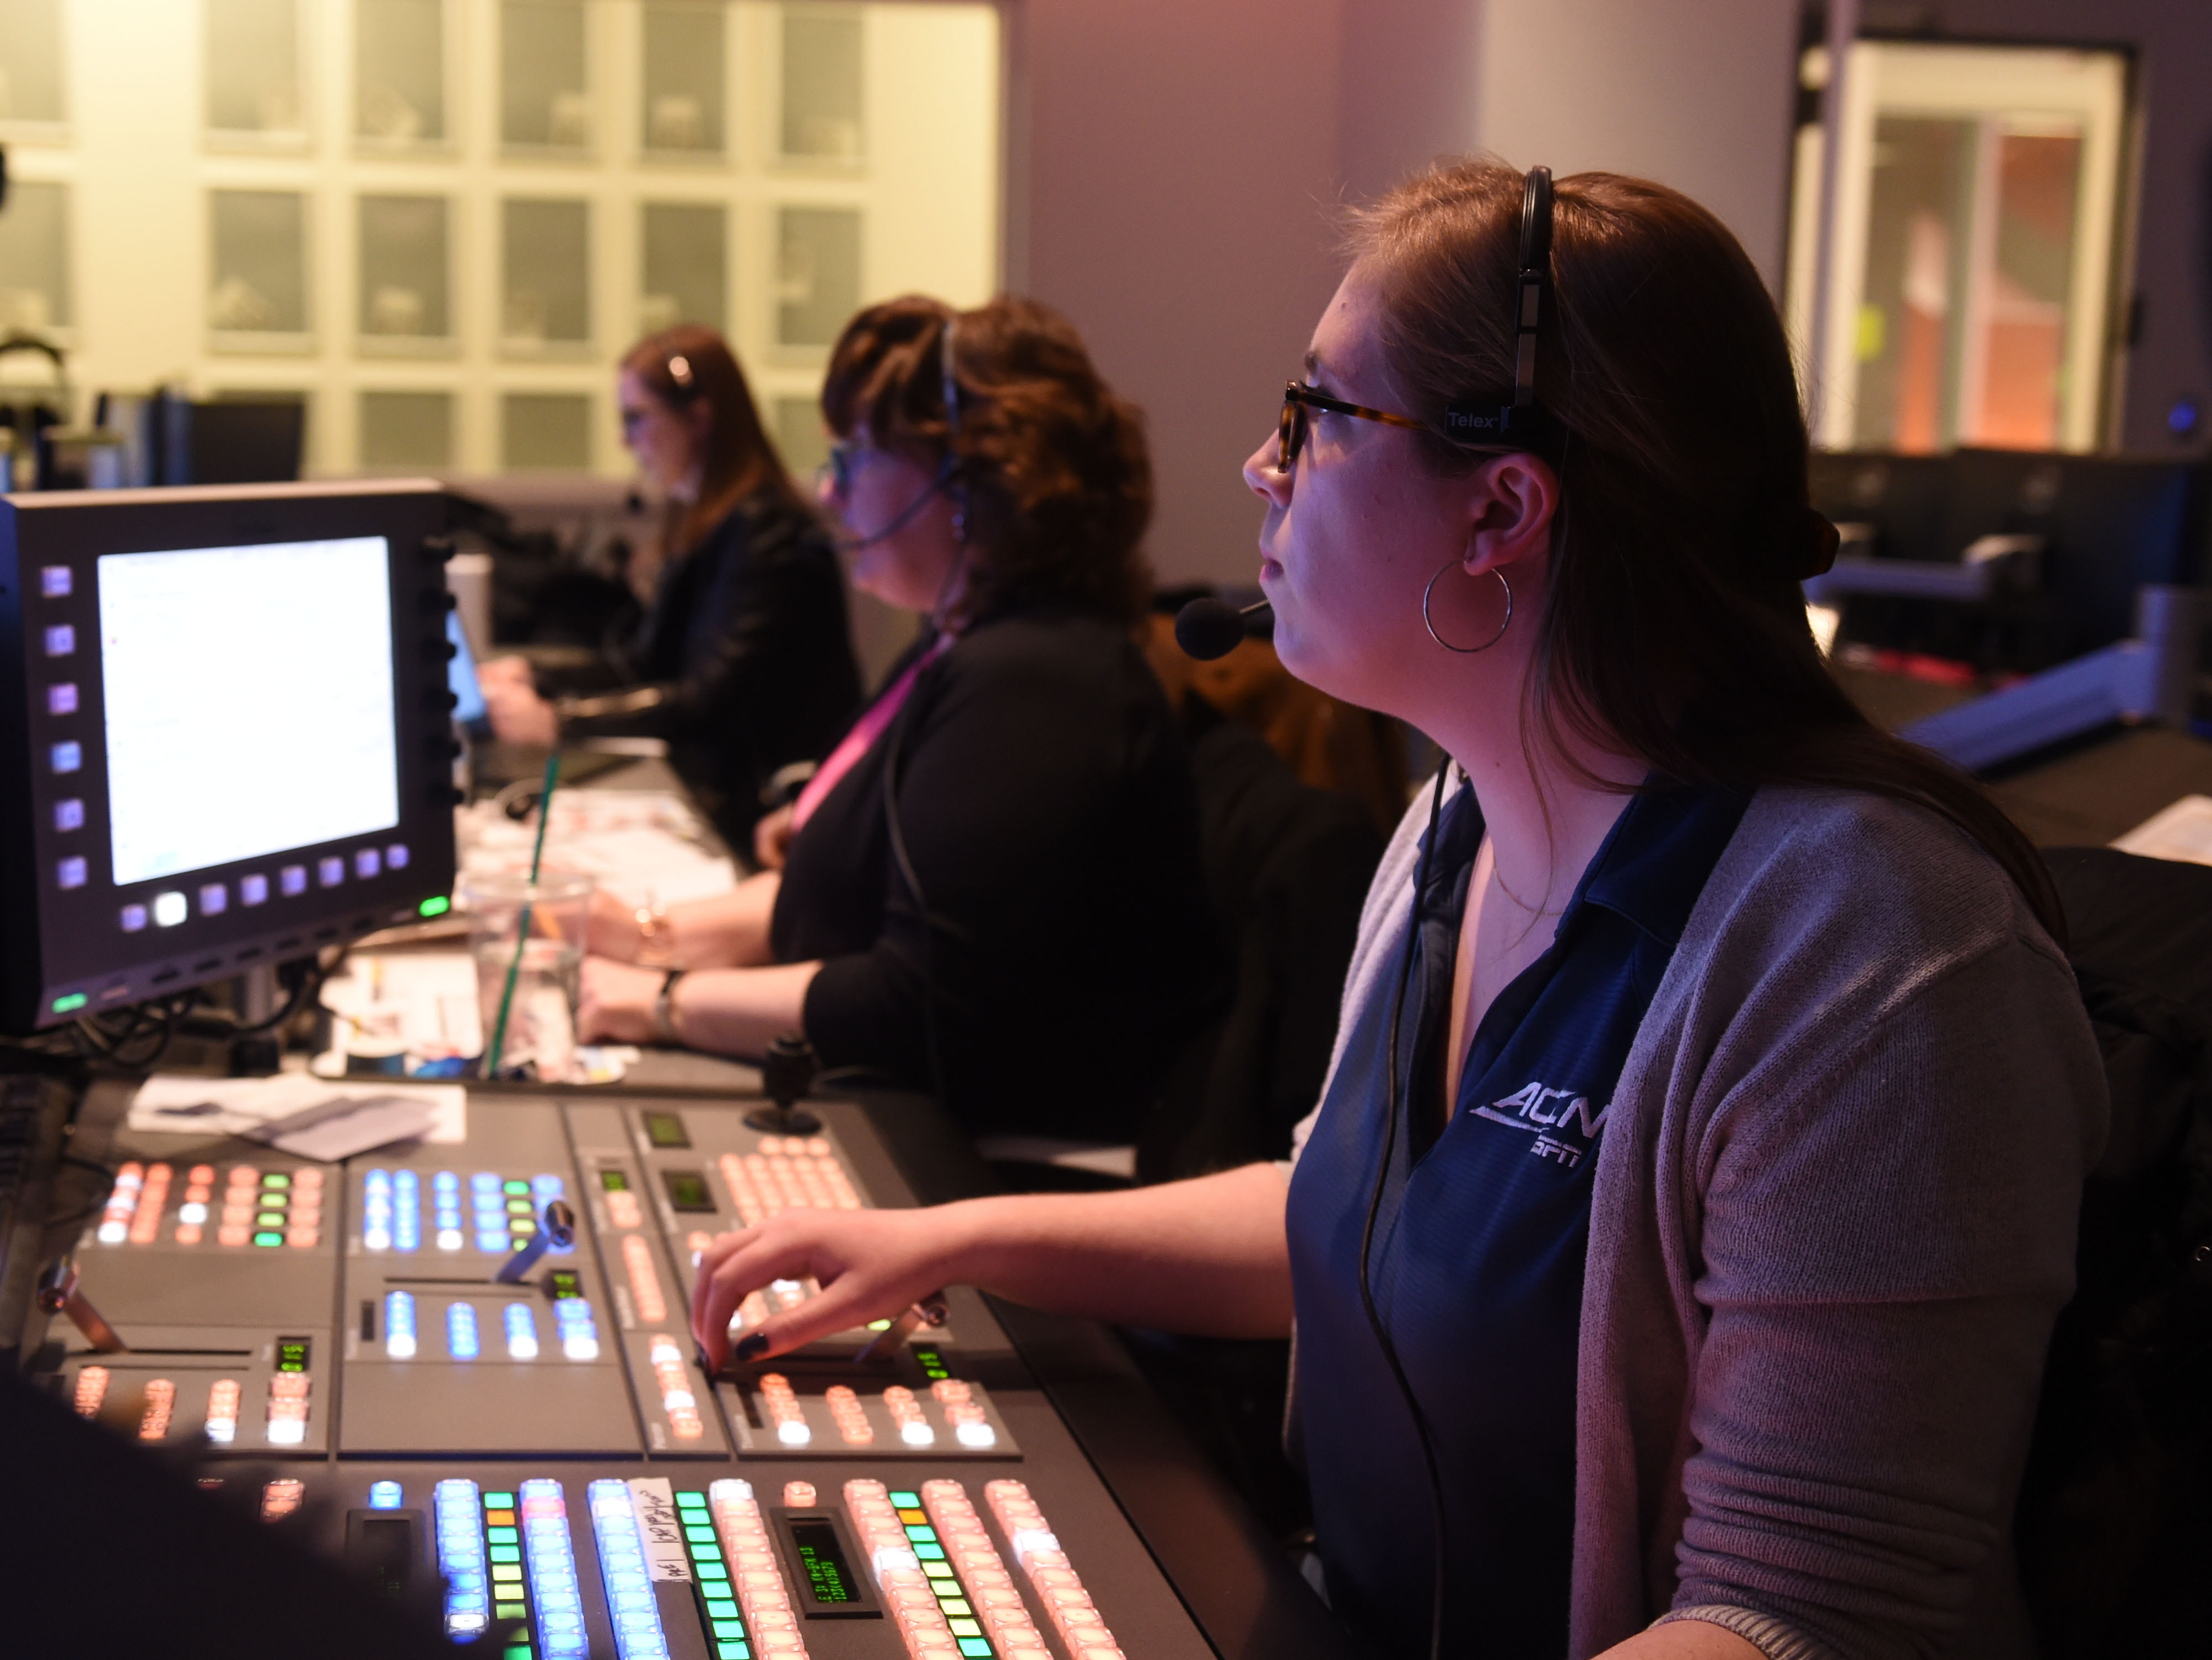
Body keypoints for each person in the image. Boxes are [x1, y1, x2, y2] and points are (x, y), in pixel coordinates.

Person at [684, 167, 2108, 1660]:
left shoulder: (1874, 951)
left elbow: (1809, 1613)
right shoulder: (1459, 818)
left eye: (1312, 419)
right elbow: (1340, 1216)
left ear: (1500, 504)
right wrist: (948, 1238)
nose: (1256, 466)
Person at [577, 295, 1220, 1143]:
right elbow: (848, 898)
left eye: (859, 454)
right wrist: (646, 935)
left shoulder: (1036, 684)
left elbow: (914, 1001)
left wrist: (660, 1000)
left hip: (999, 1156)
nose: (829, 487)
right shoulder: (970, 641)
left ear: (973, 481)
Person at [482, 326, 860, 857]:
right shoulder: (710, 520)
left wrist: (558, 721)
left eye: (637, 418)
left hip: (765, 814)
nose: (625, 440)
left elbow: (709, 699)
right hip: (725, 791)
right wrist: (536, 675)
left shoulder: (767, 531)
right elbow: (648, 661)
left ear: (699, 418)